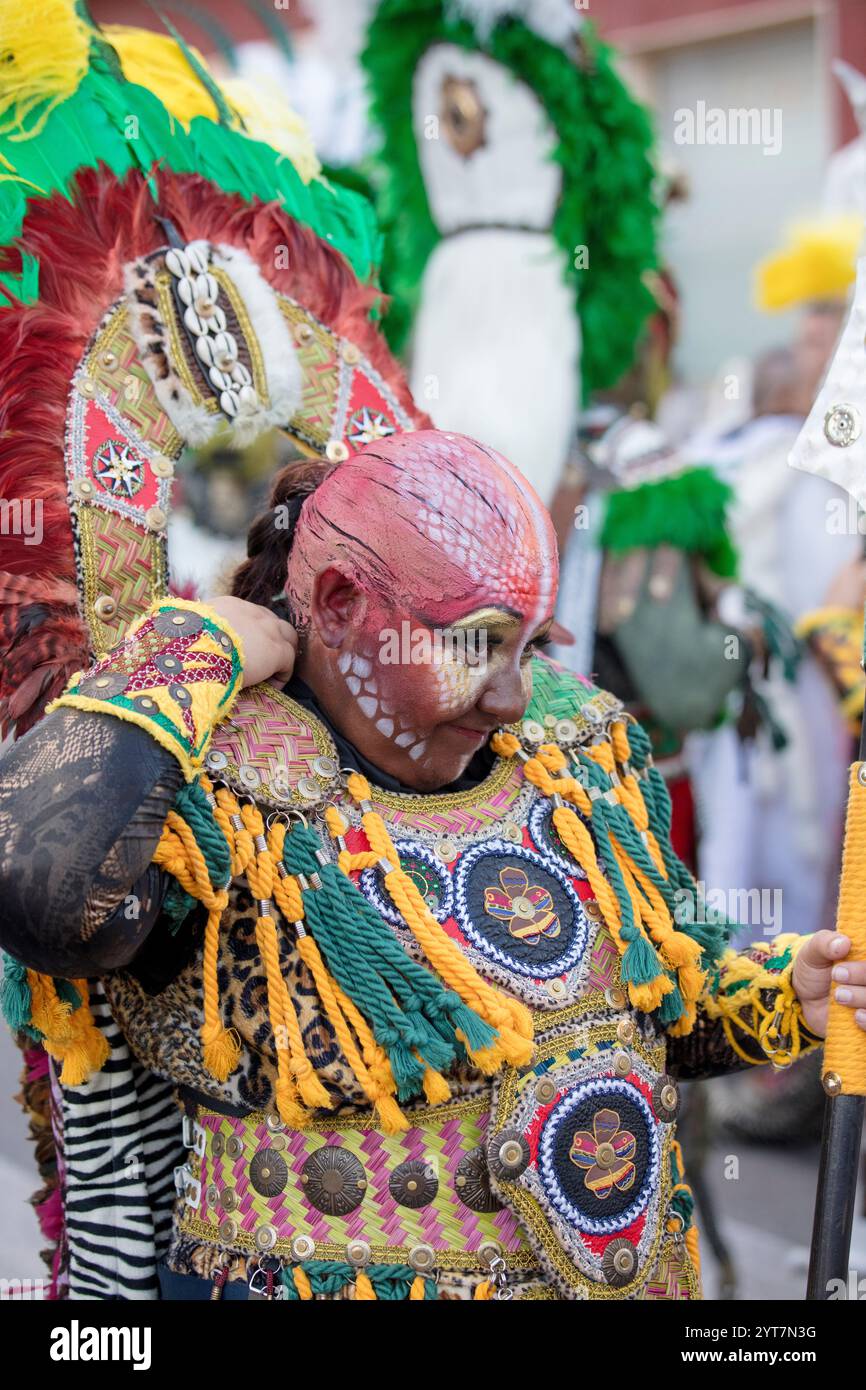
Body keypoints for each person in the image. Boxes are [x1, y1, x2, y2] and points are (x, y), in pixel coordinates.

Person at [1, 427, 859, 1303]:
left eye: (530, 646)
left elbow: (652, 1017)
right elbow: (34, 890)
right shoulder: (212, 782)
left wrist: (790, 995)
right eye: (476, 645)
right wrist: (184, 657)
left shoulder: (573, 743)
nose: (513, 694)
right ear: (337, 602)